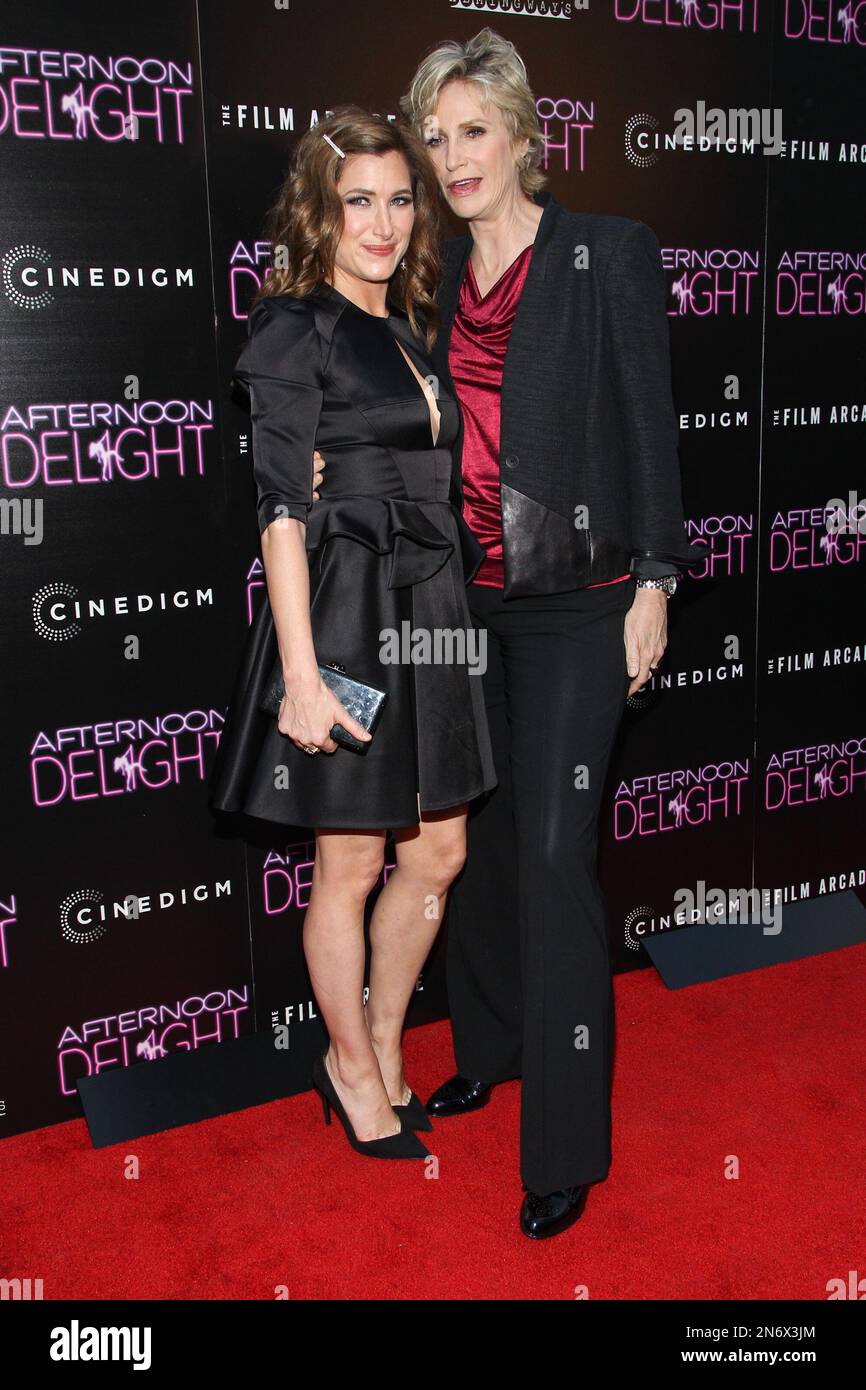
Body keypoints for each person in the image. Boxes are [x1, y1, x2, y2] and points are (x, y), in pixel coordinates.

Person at [395, 28, 706, 1235]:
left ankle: (565, 1141)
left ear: (525, 135)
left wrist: (657, 579)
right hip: (460, 603)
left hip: (578, 603)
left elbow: (649, 424)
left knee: (550, 858)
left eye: (473, 129)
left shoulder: (604, 255)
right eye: (436, 135)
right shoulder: (427, 276)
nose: (453, 154)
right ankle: (494, 1044)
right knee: (471, 835)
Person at [208, 107, 497, 1161]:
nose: (379, 222)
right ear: (319, 212)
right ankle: (349, 1063)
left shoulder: (410, 326)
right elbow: (279, 509)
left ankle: (378, 1034)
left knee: (441, 851)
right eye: (355, 201)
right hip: (345, 614)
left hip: (432, 607)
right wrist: (301, 675)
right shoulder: (295, 329)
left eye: (395, 197)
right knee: (351, 862)